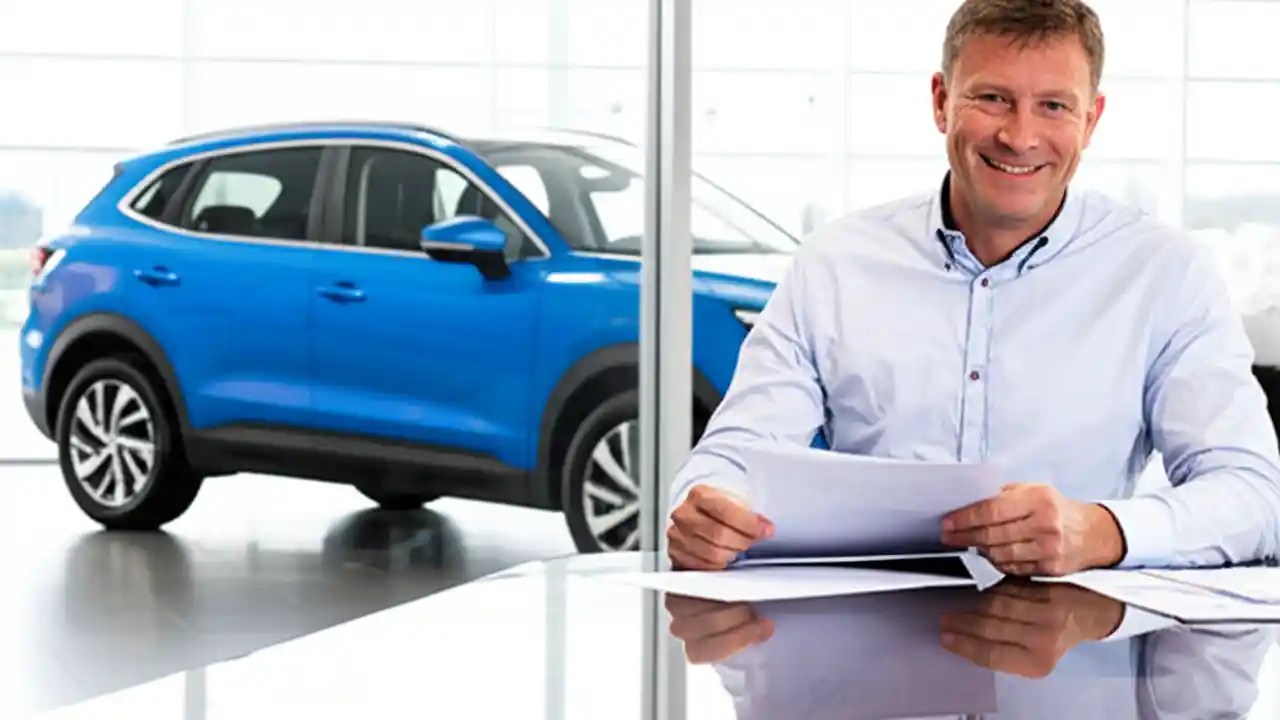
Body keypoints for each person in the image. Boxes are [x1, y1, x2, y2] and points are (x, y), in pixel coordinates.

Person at [666, 0, 1280, 575]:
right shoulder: (835, 264)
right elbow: (733, 456)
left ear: (1091, 120)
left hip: (1081, 663)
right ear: (941, 101)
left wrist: (1100, 531)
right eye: (992, 98)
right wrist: (710, 507)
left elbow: (1255, 497)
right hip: (864, 656)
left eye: (1054, 107)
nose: (1019, 135)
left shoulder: (1166, 274)